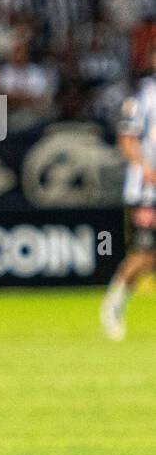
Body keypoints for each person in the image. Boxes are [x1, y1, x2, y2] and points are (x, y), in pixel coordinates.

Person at [102, 51, 156, 341]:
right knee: (144, 255)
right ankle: (114, 303)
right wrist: (145, 169)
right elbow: (127, 139)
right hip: (146, 190)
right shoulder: (143, 97)